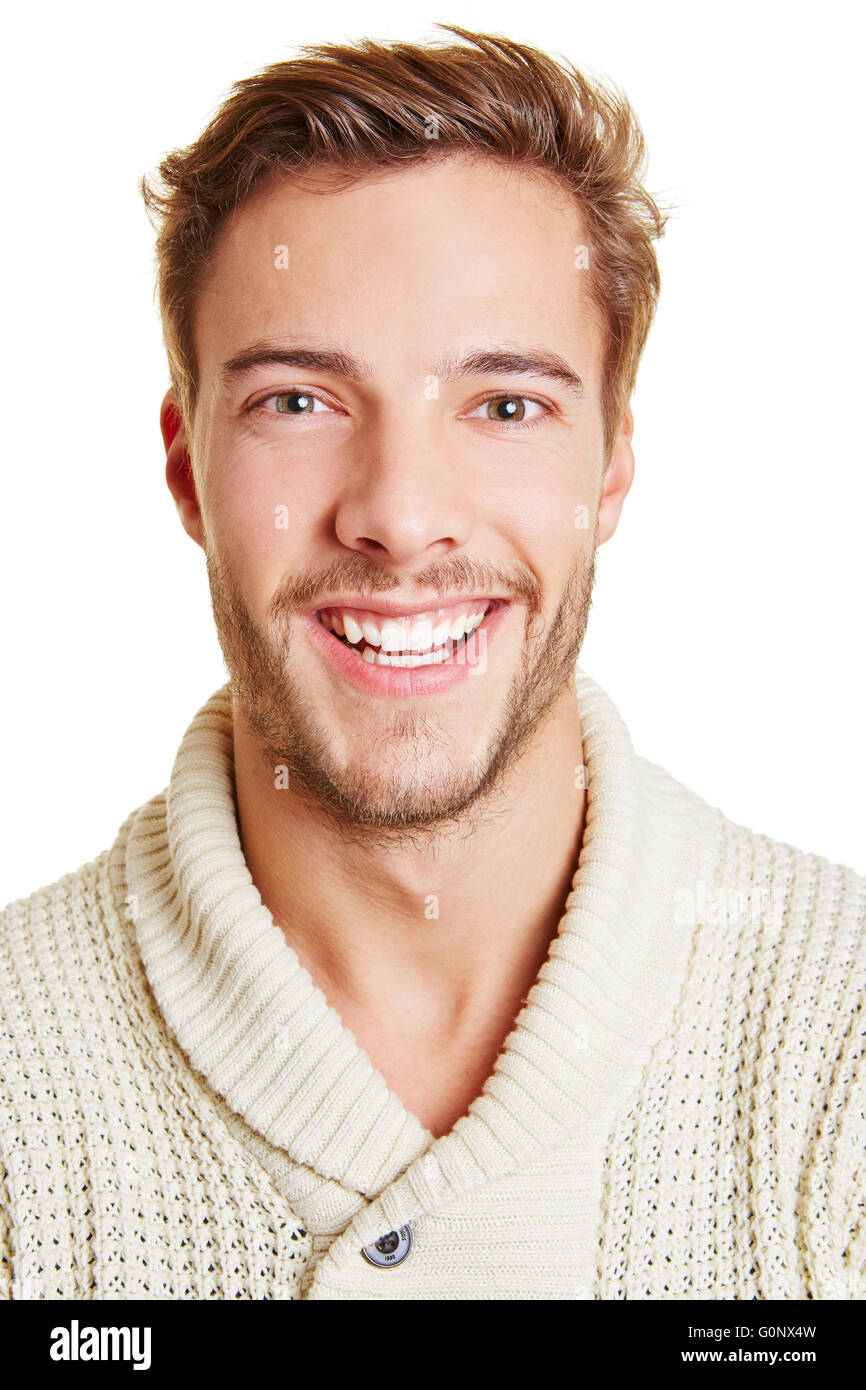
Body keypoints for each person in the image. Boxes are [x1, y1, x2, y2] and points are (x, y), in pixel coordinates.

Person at [1, 24, 863, 1302]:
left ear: (608, 466)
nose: (400, 517)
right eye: (299, 400)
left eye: (504, 404)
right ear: (187, 467)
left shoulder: (839, 1052)